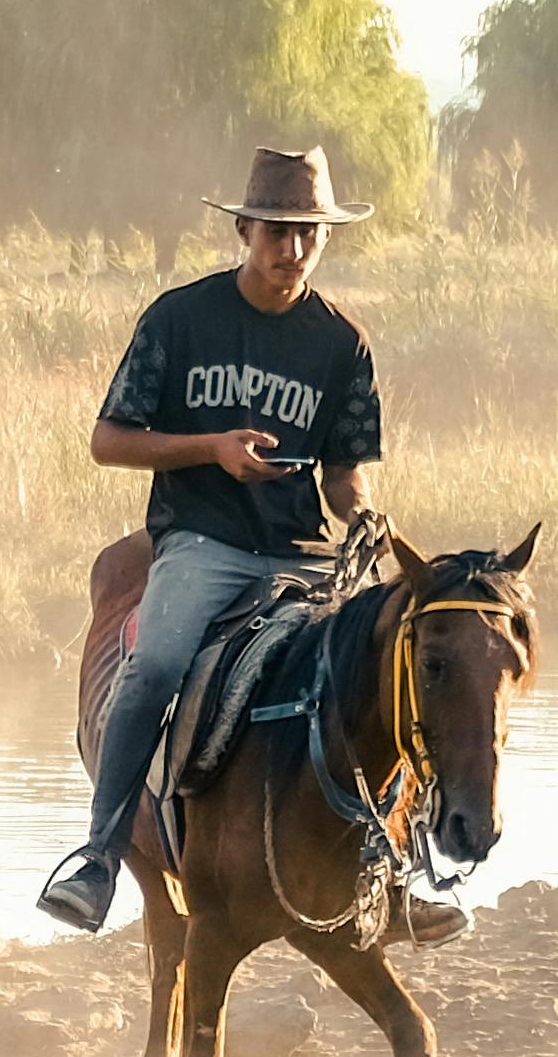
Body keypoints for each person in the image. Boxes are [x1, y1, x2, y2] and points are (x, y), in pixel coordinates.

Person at [39, 142, 390, 932]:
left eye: (309, 234)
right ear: (243, 229)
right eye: (277, 233)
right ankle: (97, 855)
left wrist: (362, 513)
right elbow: (108, 439)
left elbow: (345, 470)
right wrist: (212, 449)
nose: (292, 251)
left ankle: (392, 869)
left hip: (304, 556)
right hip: (203, 543)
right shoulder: (180, 320)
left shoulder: (343, 345)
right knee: (158, 660)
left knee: (392, 667)